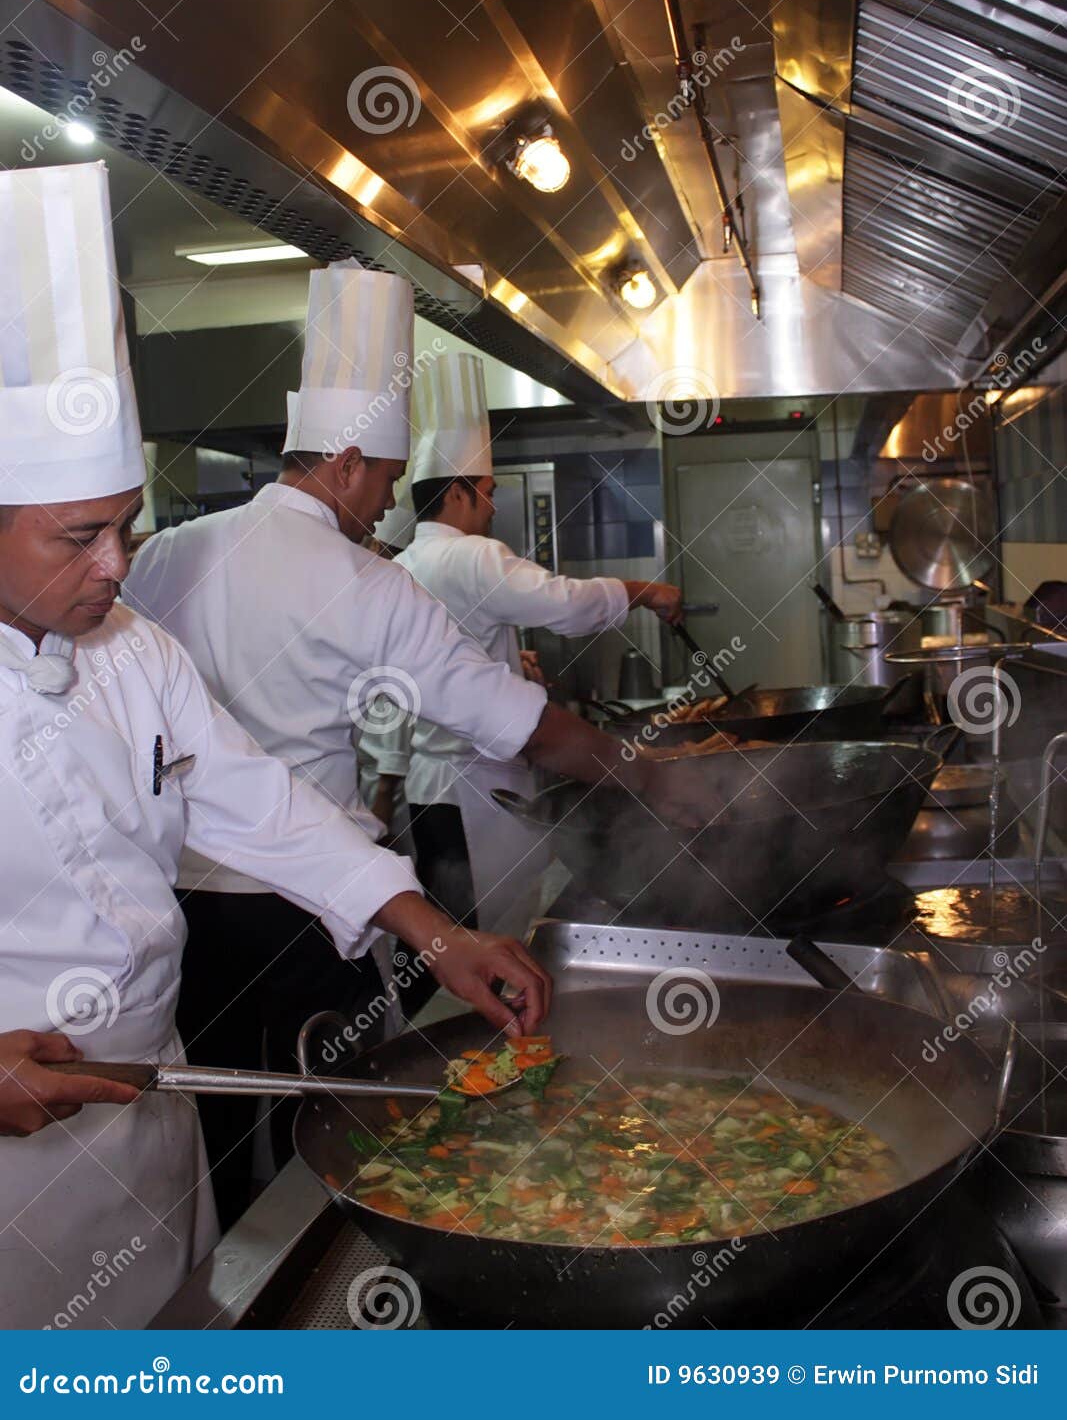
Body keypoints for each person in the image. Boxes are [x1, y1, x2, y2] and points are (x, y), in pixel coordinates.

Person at [0, 165, 548, 1328]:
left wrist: (434, 935)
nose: (116, 564)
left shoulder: (132, 649)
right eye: (80, 535)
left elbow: (259, 802)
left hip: (154, 1119)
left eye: (129, 527)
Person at [122, 264, 685, 1221]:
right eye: (383, 479)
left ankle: (241, 1287)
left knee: (219, 1126)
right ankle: (350, 1268)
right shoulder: (366, 584)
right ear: (344, 464)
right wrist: (657, 780)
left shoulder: (175, 550)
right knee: (349, 1121)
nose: (388, 507)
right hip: (313, 907)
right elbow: (524, 727)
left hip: (187, 902)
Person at [386, 350, 682, 942]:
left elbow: (443, 659)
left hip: (423, 791)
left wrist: (505, 662)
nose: (493, 507)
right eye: (488, 491)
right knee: (496, 936)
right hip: (477, 792)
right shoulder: (470, 555)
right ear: (461, 493)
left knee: (452, 936)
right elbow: (565, 605)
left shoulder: (404, 563)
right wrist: (644, 590)